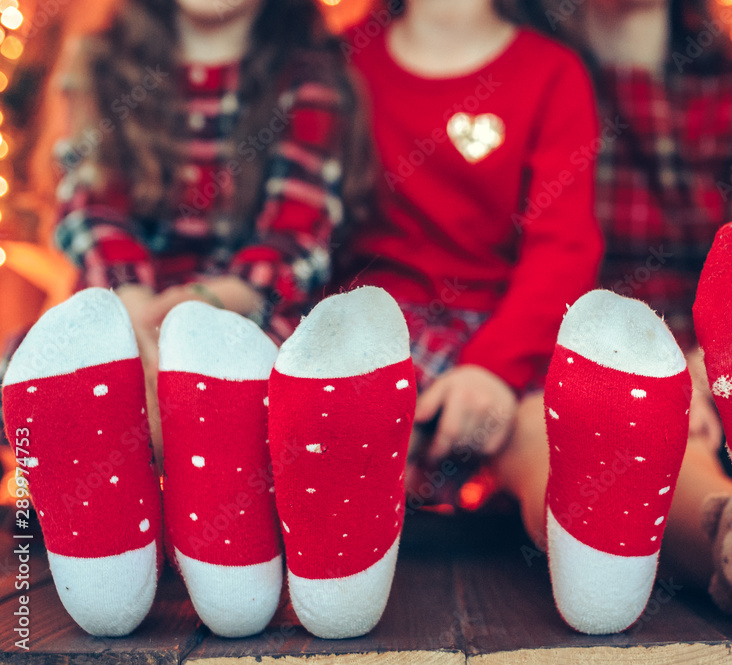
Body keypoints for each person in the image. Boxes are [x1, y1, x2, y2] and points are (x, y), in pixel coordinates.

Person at [538, 0, 732, 587]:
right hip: (580, 353)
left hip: (717, 354)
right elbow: (534, 265)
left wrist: (711, 366)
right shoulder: (534, 77)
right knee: (643, 426)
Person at [39, 0, 370, 463]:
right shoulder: (100, 62)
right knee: (59, 384)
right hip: (122, 303)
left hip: (243, 309)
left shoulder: (310, 79)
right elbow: (91, 208)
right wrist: (133, 304)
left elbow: (295, 233)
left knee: (242, 403)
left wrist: (205, 307)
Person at [344, 0, 605, 539]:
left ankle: (588, 546)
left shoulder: (551, 73)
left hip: (507, 330)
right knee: (340, 424)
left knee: (555, 446)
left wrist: (493, 368)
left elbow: (564, 246)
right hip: (374, 327)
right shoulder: (343, 62)